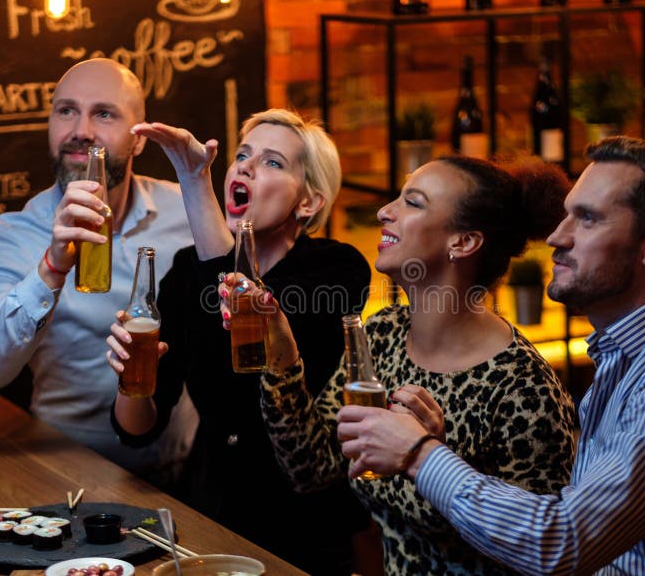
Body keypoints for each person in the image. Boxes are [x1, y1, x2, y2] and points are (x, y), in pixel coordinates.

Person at [337, 137, 645, 574]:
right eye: (567, 213)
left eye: (587, 219)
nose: (557, 235)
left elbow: (562, 544)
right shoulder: (625, 352)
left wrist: (419, 454)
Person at [228, 155, 578, 574]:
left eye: (412, 202)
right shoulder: (383, 334)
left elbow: (543, 555)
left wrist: (429, 460)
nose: (384, 211)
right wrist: (281, 349)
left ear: (463, 242)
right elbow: (314, 466)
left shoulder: (523, 389)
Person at [107, 109, 373, 575]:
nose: (245, 167)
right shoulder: (186, 271)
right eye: (243, 155)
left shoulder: (336, 271)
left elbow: (239, 316)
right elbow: (138, 429)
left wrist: (194, 181)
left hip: (302, 529)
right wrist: (133, 379)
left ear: (308, 203)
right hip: (208, 515)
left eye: (273, 163)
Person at [0, 58, 198, 482]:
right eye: (66, 110)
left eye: (103, 113)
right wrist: (51, 267)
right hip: (70, 472)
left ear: (139, 139)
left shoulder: (188, 210)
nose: (81, 130)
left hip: (189, 472)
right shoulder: (14, 235)